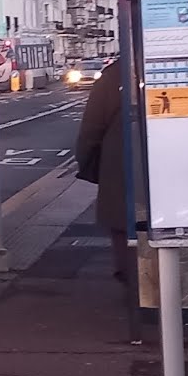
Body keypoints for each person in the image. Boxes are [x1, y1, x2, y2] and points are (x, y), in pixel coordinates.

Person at [75, 60, 127, 281]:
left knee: (125, 239)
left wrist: (90, 167)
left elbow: (90, 132)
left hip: (122, 174)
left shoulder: (114, 75)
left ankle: (131, 286)